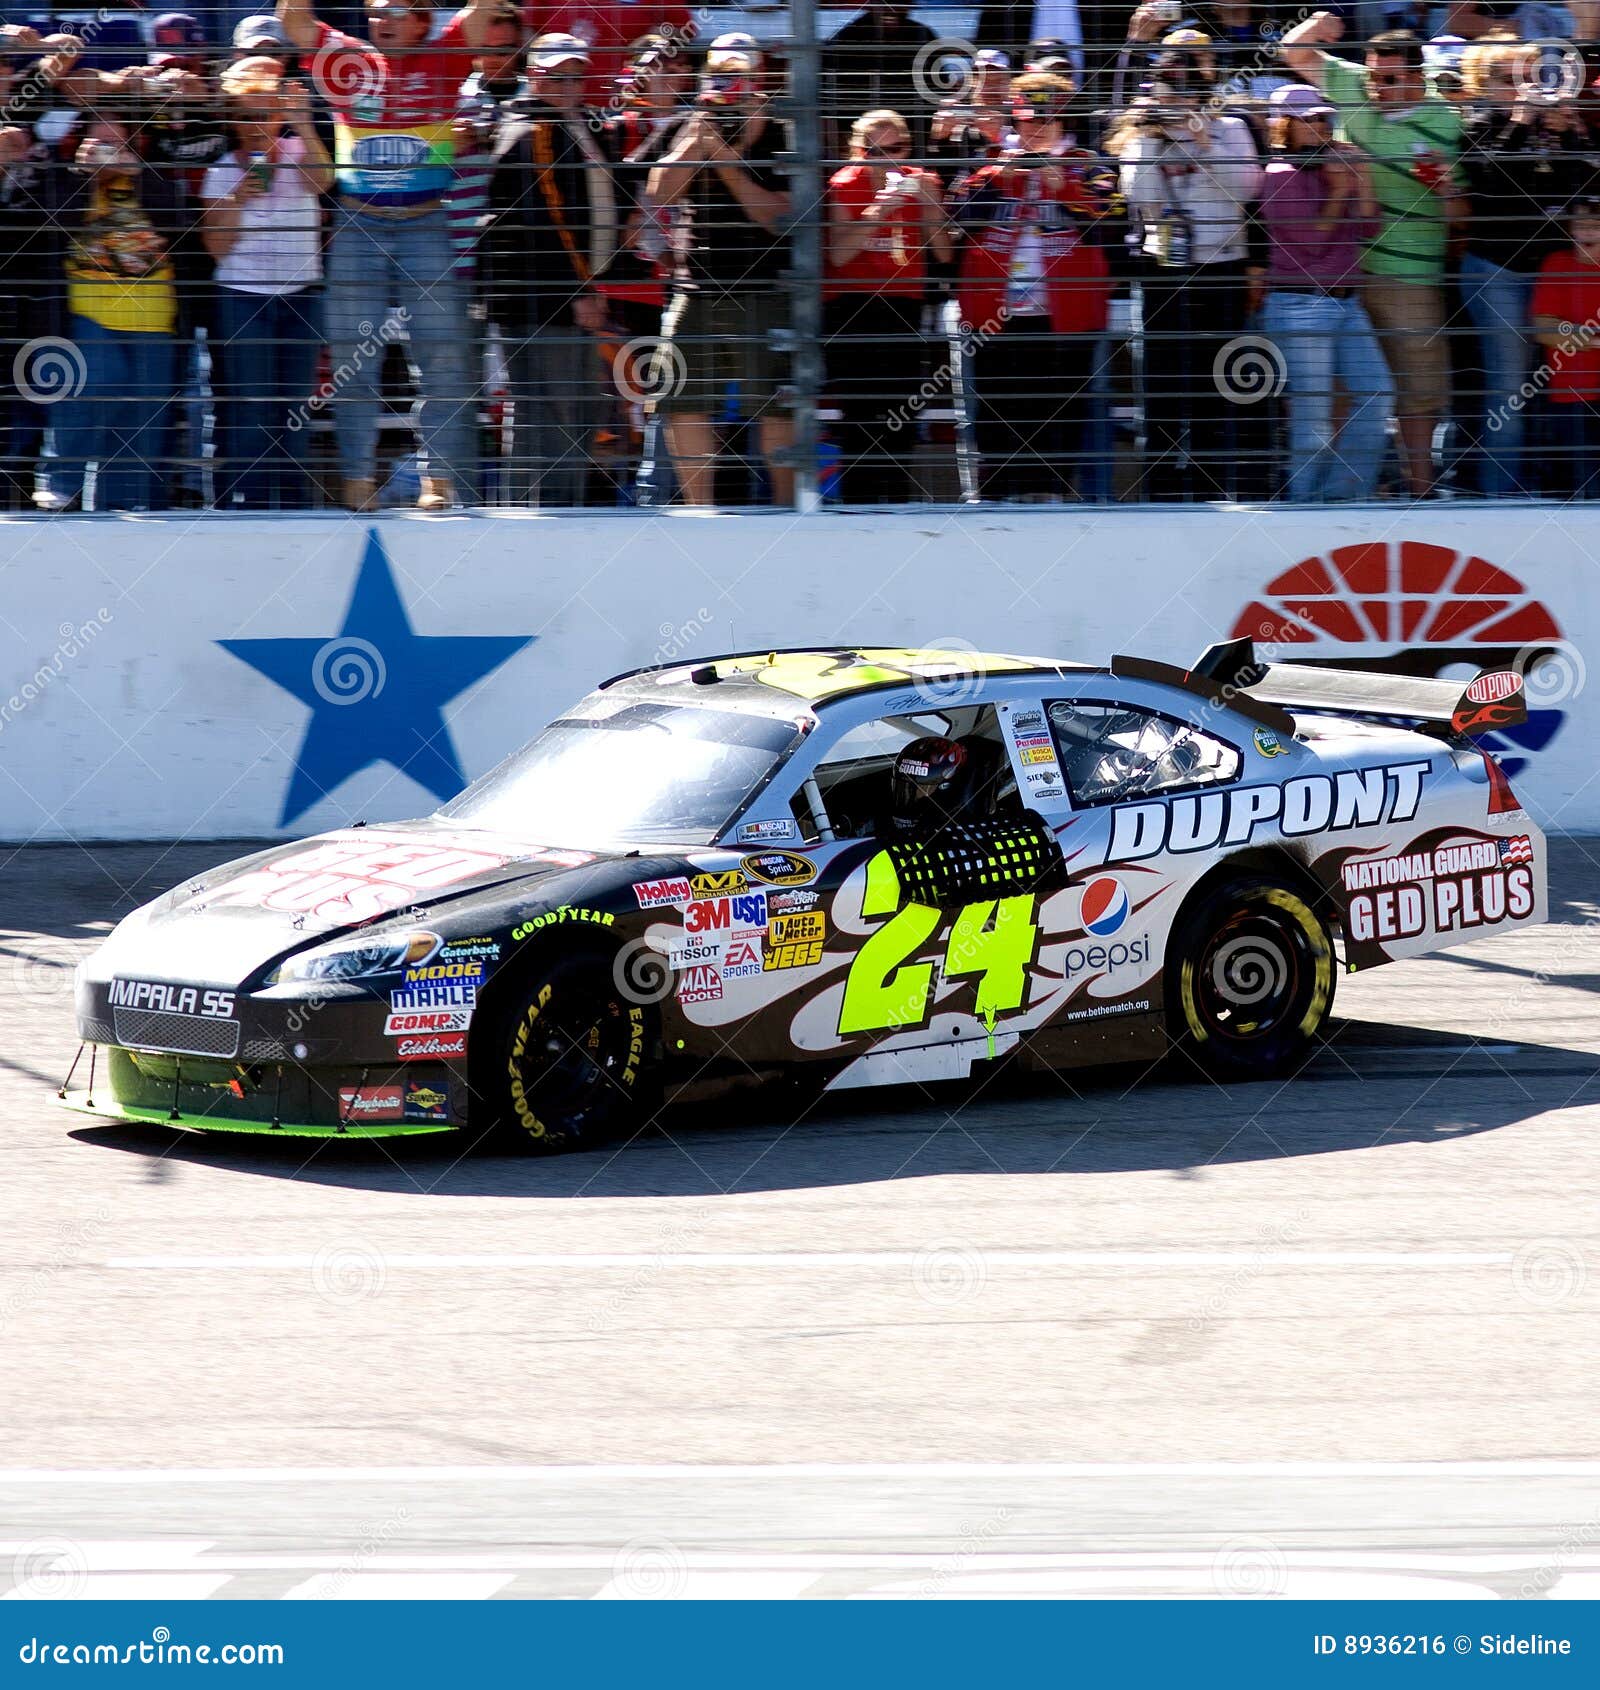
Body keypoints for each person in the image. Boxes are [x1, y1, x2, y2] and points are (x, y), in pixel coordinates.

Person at [275, 0, 500, 511]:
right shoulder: (345, 55)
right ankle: (358, 478)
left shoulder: (446, 56)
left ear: (425, 18)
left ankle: (437, 479)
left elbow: (487, 11)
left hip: (427, 222)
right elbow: (292, 21)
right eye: (375, 11)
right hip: (358, 223)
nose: (383, 20)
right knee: (354, 359)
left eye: (398, 11)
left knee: (442, 357)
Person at [1281, 14, 1470, 497]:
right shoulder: (1352, 85)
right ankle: (1342, 494)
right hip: (1349, 272)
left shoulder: (1446, 121)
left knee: (1419, 392)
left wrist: (1447, 191)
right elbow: (1292, 53)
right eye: (1372, 76)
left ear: (1416, 77)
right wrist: (1320, 22)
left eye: (1389, 79)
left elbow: (1463, 218)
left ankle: (1419, 491)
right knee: (1348, 392)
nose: (1377, 88)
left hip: (1413, 276)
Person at [1108, 34, 1262, 500]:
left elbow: (1245, 190)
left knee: (1218, 382)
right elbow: (1141, 201)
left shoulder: (1231, 128)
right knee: (1162, 386)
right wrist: (1155, 140)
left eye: (1180, 87)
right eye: (1163, 87)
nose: (1172, 96)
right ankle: (1164, 495)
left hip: (1222, 269)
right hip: (1164, 271)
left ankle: (1214, 488)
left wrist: (1203, 142)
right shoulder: (1141, 139)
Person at [951, 71, 1115, 500]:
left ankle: (1054, 496)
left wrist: (1067, 189)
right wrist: (994, 178)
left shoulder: (1088, 162)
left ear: (1063, 120)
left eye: (1042, 120)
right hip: (995, 312)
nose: (1032, 128)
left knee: (1061, 409)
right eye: (1025, 120)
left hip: (1066, 315)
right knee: (996, 410)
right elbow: (957, 220)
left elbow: (1111, 219)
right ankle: (997, 499)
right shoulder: (989, 160)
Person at [646, 34, 793, 506]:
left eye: (740, 76)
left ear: (759, 79)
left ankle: (790, 513)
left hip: (764, 287)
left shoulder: (783, 130)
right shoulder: (694, 124)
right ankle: (699, 513)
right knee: (682, 402)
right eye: (722, 76)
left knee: (775, 408)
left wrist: (727, 160)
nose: (730, 86)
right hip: (696, 287)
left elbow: (775, 216)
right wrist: (699, 140)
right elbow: (660, 194)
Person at [482, 32, 614, 506]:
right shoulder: (534, 130)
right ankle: (541, 522)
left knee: (569, 414)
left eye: (576, 75)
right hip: (543, 301)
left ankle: (549, 518)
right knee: (553, 417)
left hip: (559, 296)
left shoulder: (572, 123)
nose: (569, 84)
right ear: (534, 76)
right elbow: (548, 219)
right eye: (558, 76)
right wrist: (579, 292)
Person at [1457, 38, 1588, 494]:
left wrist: (1571, 134)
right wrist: (1520, 121)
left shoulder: (1554, 124)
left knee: (1552, 380)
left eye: (1528, 74)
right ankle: (1501, 495)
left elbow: (1585, 189)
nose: (1524, 86)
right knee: (1509, 387)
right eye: (1509, 77)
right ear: (1486, 83)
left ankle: (1549, 484)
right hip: (1498, 272)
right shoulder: (1477, 122)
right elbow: (1490, 182)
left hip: (1550, 274)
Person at [201, 54, 332, 508]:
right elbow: (217, 249)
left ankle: (293, 508)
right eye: (248, 116)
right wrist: (237, 196)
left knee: (295, 411)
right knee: (250, 410)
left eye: (267, 114)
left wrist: (304, 125)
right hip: (243, 297)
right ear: (234, 120)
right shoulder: (220, 170)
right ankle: (246, 508)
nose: (258, 124)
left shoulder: (299, 153)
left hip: (301, 296)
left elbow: (324, 183)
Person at [1257, 81, 1393, 500]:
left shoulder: (1332, 167)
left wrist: (1363, 176)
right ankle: (1304, 507)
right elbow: (1311, 241)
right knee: (1313, 421)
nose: (1319, 126)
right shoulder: (1279, 175)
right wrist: (1339, 191)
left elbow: (1369, 227)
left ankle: (1340, 499)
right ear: (1284, 127)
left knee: (1377, 396)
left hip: (1348, 302)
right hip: (1300, 305)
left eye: (1323, 118)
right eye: (1308, 120)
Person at [49, 118, 183, 510]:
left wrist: (135, 173)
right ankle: (61, 479)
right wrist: (85, 176)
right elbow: (49, 223)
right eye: (99, 141)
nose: (108, 149)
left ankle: (121, 513)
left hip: (154, 318)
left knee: (141, 427)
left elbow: (179, 223)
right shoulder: (68, 180)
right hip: (90, 313)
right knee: (95, 382)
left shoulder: (151, 179)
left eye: (117, 142)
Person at [824, 108, 948, 503]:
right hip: (853, 307)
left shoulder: (923, 181)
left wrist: (930, 207)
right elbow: (840, 255)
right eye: (873, 152)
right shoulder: (844, 183)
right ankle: (858, 507)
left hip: (905, 306)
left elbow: (944, 254)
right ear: (857, 151)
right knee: (861, 415)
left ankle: (896, 503)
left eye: (895, 149)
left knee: (903, 414)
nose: (885, 160)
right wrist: (878, 210)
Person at [1529, 195, 1600, 497]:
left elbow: (1558, 330)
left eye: (1594, 225)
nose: (1585, 232)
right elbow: (1544, 330)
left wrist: (1573, 335)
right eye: (1579, 224)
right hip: (1572, 397)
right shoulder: (1557, 263)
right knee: (1579, 492)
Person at [821, 1, 940, 159]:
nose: (891, 8)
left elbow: (937, 94)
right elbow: (830, 99)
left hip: (913, 138)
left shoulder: (923, 35)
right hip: (864, 139)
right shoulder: (847, 38)